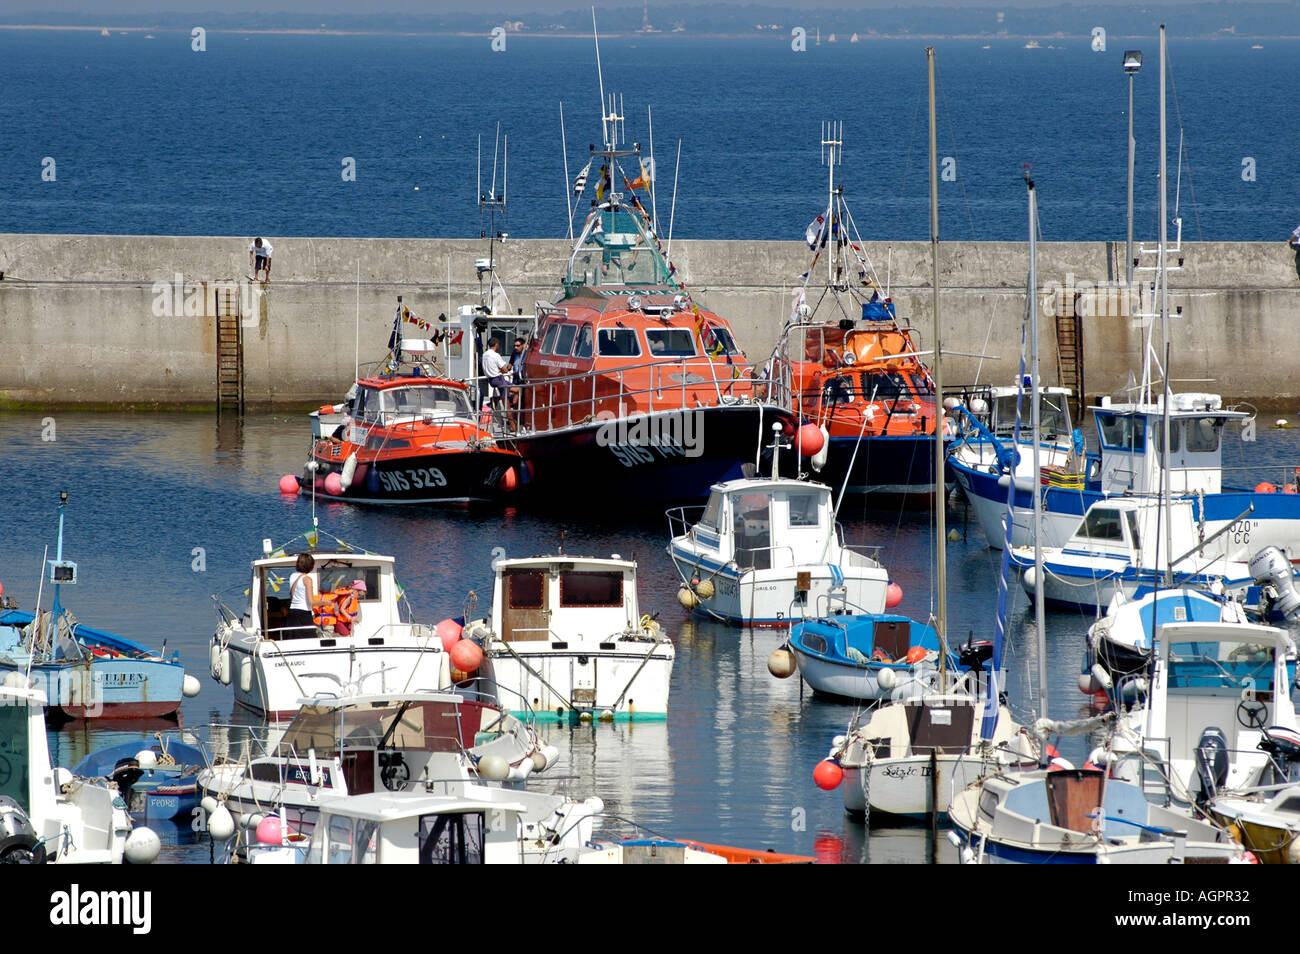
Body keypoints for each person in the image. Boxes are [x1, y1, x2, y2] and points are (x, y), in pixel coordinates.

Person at [481, 337, 514, 430]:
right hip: (499, 380)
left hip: (492, 380)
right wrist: (505, 370)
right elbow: (505, 369)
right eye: (498, 344)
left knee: (516, 390)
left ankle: (497, 398)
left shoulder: (484, 354)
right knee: (507, 403)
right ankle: (513, 426)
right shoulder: (496, 355)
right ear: (496, 345)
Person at [285, 553, 316, 638]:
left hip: (292, 612)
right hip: (304, 613)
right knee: (311, 640)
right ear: (310, 566)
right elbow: (311, 602)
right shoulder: (307, 579)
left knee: (293, 639)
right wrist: (326, 602)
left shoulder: (292, 576)